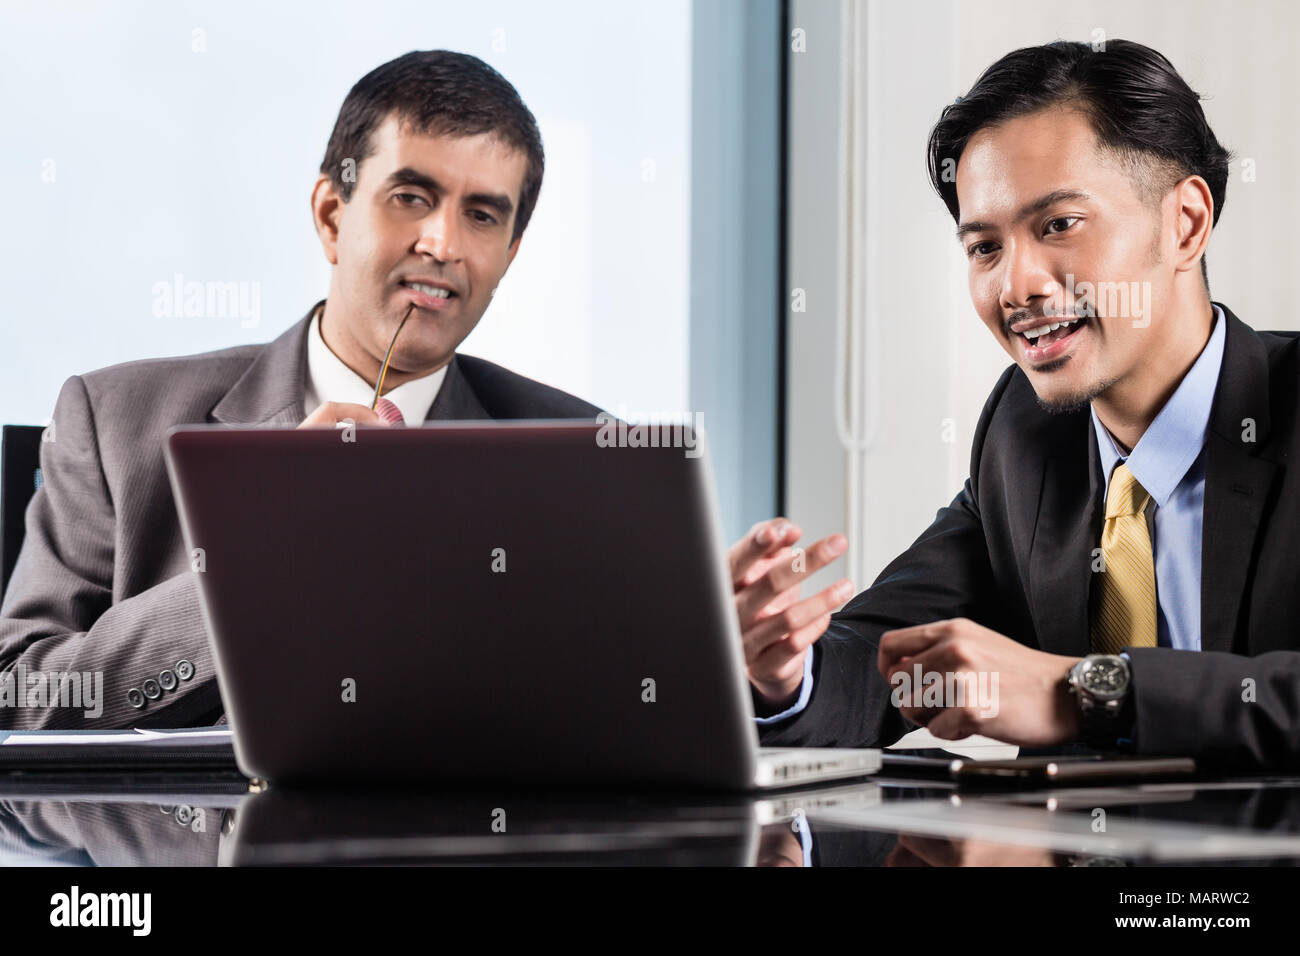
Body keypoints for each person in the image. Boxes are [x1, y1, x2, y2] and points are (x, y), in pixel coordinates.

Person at [733, 39, 1300, 770]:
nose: (1016, 286)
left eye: (1059, 225)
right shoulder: (1026, 434)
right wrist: (782, 673)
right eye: (985, 247)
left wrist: (1084, 692)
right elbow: (891, 656)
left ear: (1185, 222)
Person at [0, 50, 599, 729]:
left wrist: (747, 678)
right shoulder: (112, 420)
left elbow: (627, 710)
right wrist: (255, 563)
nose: (443, 243)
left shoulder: (584, 457)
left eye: (483, 216)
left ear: (510, 256)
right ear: (331, 216)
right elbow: (21, 697)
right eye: (412, 198)